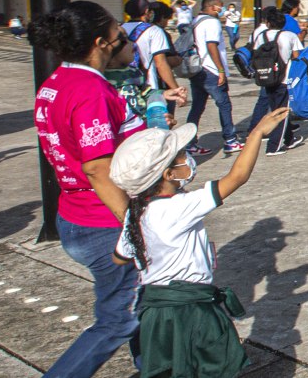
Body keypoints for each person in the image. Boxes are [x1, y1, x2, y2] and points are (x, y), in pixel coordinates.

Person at [28, 1, 176, 378]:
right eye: (120, 36)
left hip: (75, 214)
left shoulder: (55, 84)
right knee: (117, 321)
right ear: (101, 43)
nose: (126, 43)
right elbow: (96, 167)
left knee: (144, 304)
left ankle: (158, 368)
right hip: (103, 224)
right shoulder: (89, 89)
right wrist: (132, 227)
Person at [109, 110, 290, 378]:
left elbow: (119, 257)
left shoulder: (136, 212)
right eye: (182, 155)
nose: (188, 159)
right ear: (169, 174)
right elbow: (237, 177)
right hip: (191, 313)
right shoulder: (179, 207)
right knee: (210, 369)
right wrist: (256, 134)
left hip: (156, 315)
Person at [185, 0, 242, 156]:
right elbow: (212, 46)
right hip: (211, 70)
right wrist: (221, 70)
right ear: (212, 7)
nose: (222, 9)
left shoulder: (196, 21)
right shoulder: (212, 22)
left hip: (197, 70)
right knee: (224, 104)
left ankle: (190, 142)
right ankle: (230, 139)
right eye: (220, 6)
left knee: (197, 107)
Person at [250, 7, 304, 154]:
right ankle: (274, 146)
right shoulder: (290, 36)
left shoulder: (261, 36)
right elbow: (296, 57)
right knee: (282, 111)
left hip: (266, 76)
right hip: (284, 78)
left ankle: (289, 138)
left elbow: (255, 54)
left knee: (275, 108)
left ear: (268, 22)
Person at [124, 0, 184, 107]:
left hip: (125, 87)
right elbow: (161, 63)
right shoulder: (154, 31)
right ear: (147, 11)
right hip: (149, 88)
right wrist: (176, 89)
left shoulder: (119, 29)